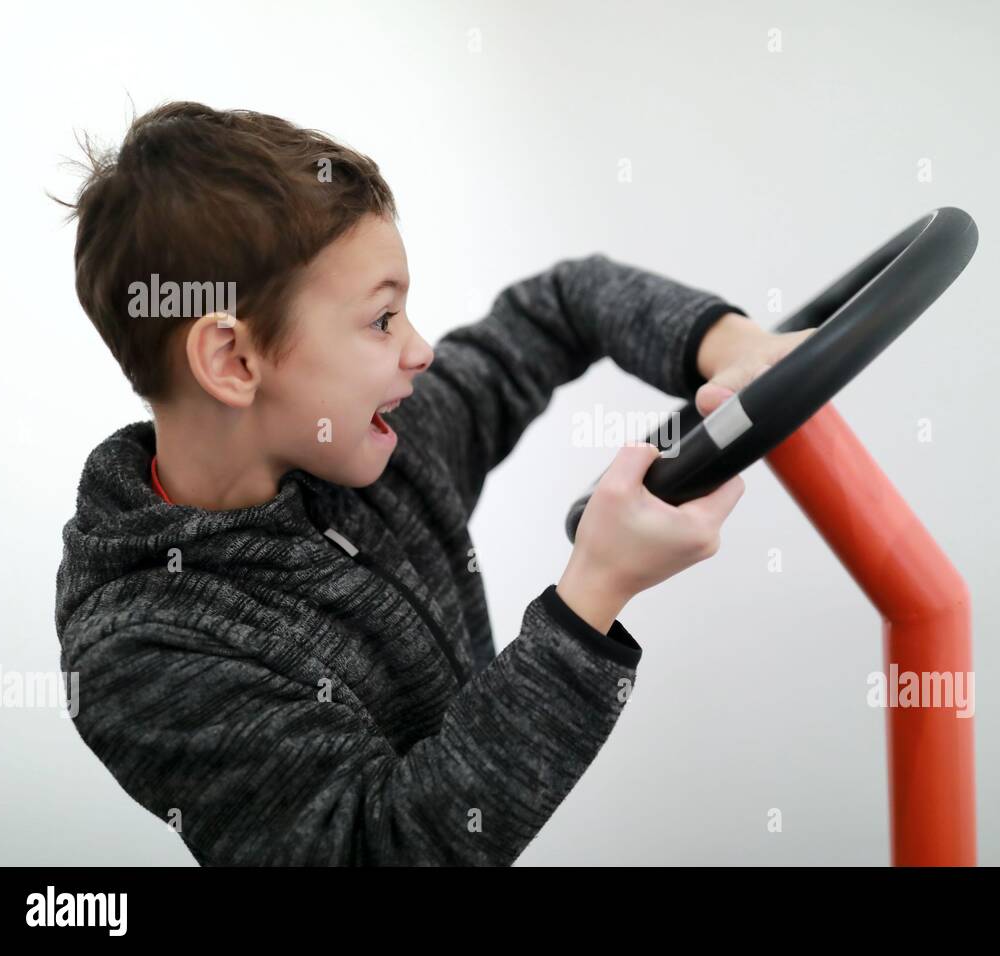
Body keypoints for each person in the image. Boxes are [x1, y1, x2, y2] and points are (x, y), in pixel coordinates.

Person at [53, 101, 810, 865]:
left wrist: (732, 344)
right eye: (382, 320)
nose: (419, 351)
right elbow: (389, 849)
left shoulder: (386, 456)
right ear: (234, 363)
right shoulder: (141, 649)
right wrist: (593, 597)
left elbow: (564, 305)